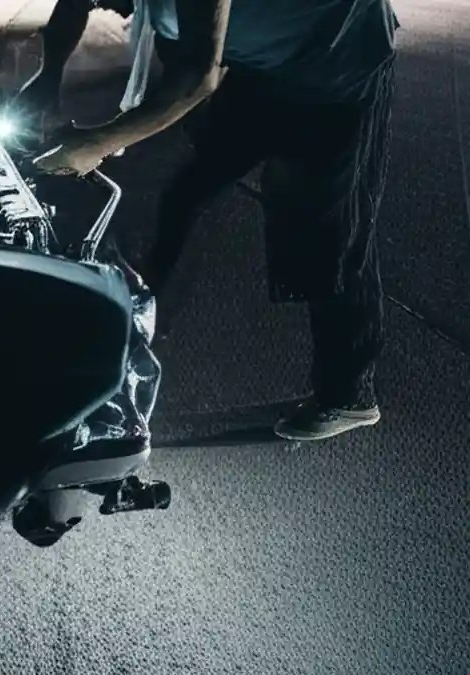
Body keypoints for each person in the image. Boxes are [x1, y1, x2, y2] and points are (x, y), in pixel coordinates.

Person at [22, 0, 399, 441]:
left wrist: (98, 143)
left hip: (335, 62)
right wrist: (47, 78)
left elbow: (197, 78)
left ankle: (351, 395)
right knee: (187, 191)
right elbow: (73, 6)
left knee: (325, 232)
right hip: (265, 65)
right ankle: (128, 338)